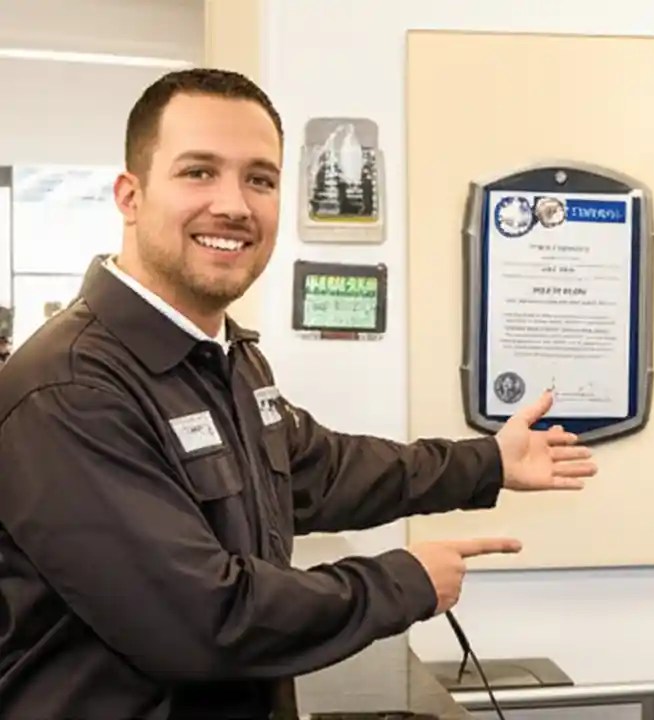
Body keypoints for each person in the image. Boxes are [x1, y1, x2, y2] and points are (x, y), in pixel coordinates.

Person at [0, 68, 596, 720]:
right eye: (199, 172)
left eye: (260, 179)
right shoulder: (71, 388)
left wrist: (488, 462)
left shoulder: (229, 357)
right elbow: (203, 620)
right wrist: (404, 582)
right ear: (129, 195)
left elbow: (320, 470)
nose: (234, 204)